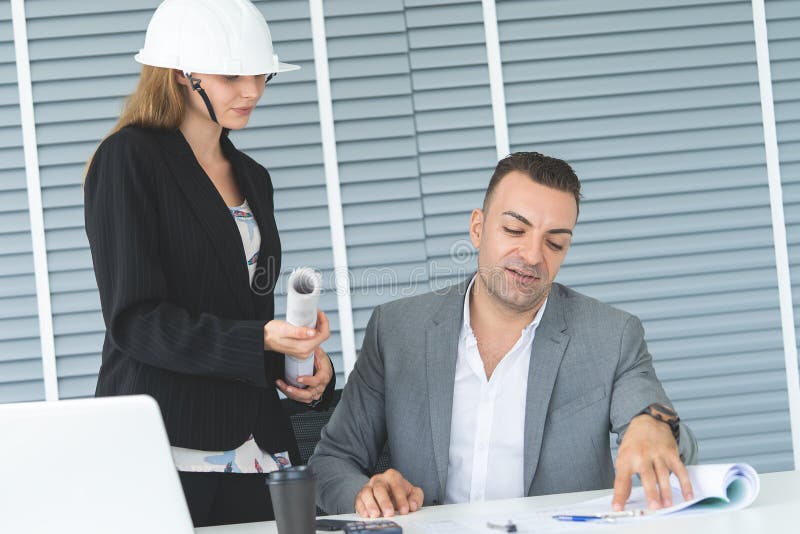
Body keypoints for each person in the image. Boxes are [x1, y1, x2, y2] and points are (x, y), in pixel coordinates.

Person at [309, 152, 699, 517]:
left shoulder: (612, 335)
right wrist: (366, 495)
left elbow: (664, 428)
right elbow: (331, 462)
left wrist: (654, 425)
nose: (532, 256)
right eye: (515, 230)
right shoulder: (396, 330)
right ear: (477, 228)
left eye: (555, 242)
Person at [83, 0, 335, 526]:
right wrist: (260, 338)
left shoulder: (253, 177)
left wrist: (301, 366)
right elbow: (136, 320)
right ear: (181, 73)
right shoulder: (129, 159)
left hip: (258, 446)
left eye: (261, 75)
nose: (252, 91)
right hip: (167, 446)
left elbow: (242, 315)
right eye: (231, 77)